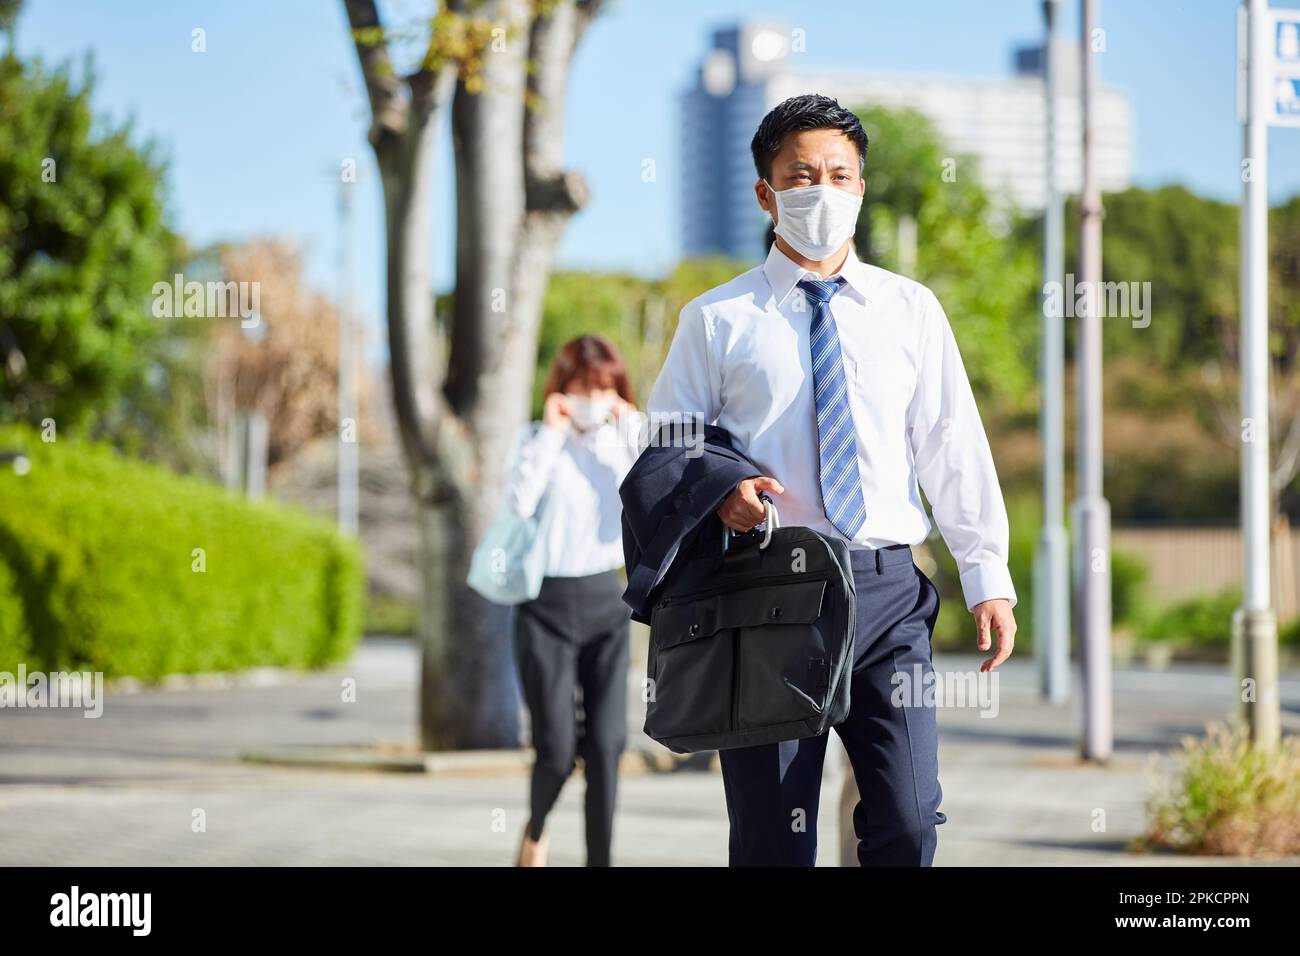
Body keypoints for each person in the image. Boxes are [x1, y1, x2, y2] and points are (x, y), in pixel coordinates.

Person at [646, 93, 1018, 867]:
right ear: (766, 192)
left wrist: (988, 574)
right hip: (766, 595)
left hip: (890, 591)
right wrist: (720, 493)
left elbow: (951, 443)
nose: (824, 189)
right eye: (803, 174)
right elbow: (666, 445)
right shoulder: (718, 320)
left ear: (860, 187)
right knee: (774, 839)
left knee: (910, 821)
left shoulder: (910, 310)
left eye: (840, 174)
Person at [503, 334, 645, 867]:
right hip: (546, 607)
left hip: (607, 601)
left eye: (606, 386)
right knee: (558, 750)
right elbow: (518, 501)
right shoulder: (537, 440)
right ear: (564, 386)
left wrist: (629, 426)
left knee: (608, 747)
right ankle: (535, 830)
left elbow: (653, 492)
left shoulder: (620, 443)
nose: (596, 396)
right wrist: (552, 432)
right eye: (586, 385)